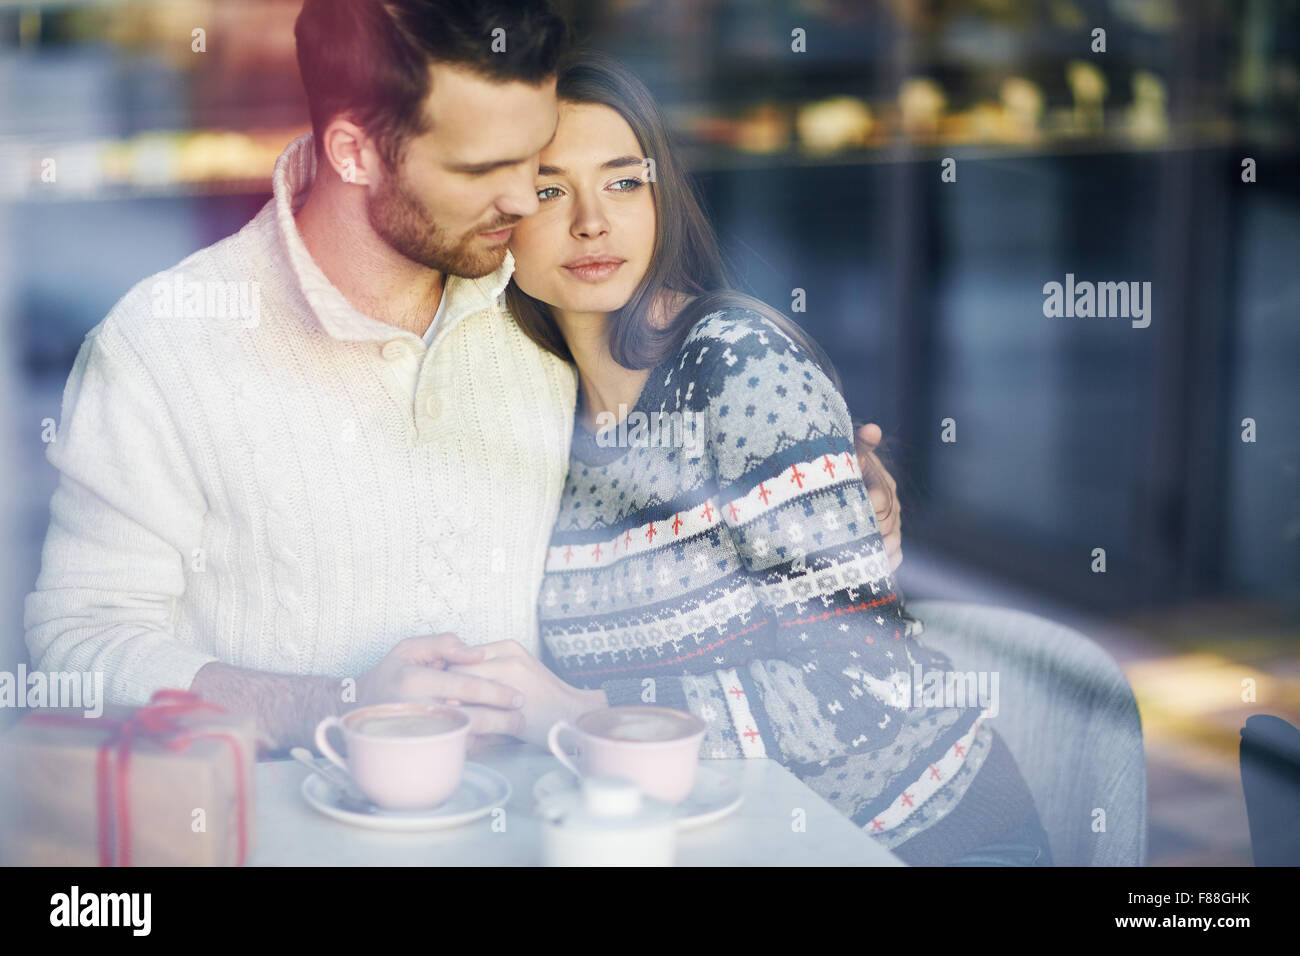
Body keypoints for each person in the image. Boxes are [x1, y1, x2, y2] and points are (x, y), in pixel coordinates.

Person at [22, 1, 901, 757]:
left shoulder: (539, 297)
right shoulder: (164, 347)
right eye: (487, 170)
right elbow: (76, 648)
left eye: (536, 158)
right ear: (355, 152)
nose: (527, 201)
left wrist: (828, 508)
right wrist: (337, 706)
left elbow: (715, 487)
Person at [462, 49, 1052, 866]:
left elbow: (866, 680)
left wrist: (585, 713)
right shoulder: (533, 401)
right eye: (551, 189)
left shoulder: (736, 364)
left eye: (625, 181)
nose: (592, 221)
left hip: (919, 836)